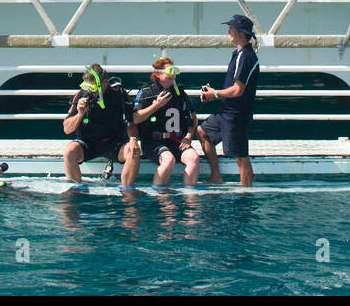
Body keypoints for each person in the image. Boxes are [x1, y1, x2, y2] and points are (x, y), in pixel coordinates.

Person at [198, 14, 260, 186]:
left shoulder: (246, 56)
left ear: (240, 32)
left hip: (236, 115)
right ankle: (216, 175)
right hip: (225, 112)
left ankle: (245, 192)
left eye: (231, 28)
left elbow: (238, 90)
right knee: (202, 132)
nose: (228, 32)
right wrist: (213, 95)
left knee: (241, 157)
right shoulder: (238, 54)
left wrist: (215, 94)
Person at [62, 64, 141, 186]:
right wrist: (80, 114)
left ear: (104, 83)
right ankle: (76, 187)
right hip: (88, 143)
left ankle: (127, 189)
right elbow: (67, 129)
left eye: (93, 88)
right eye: (87, 87)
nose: (90, 91)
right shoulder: (82, 95)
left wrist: (133, 139)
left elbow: (130, 122)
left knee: (134, 151)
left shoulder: (118, 93)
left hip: (114, 143)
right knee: (69, 151)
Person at [131, 57, 200, 187]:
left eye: (174, 72)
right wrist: (156, 105)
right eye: (169, 71)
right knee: (168, 160)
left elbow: (193, 117)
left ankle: (189, 195)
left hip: (175, 140)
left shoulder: (179, 93)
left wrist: (189, 136)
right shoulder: (147, 92)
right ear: (158, 74)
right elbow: (135, 118)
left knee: (193, 158)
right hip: (153, 141)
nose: (172, 75)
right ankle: (159, 193)